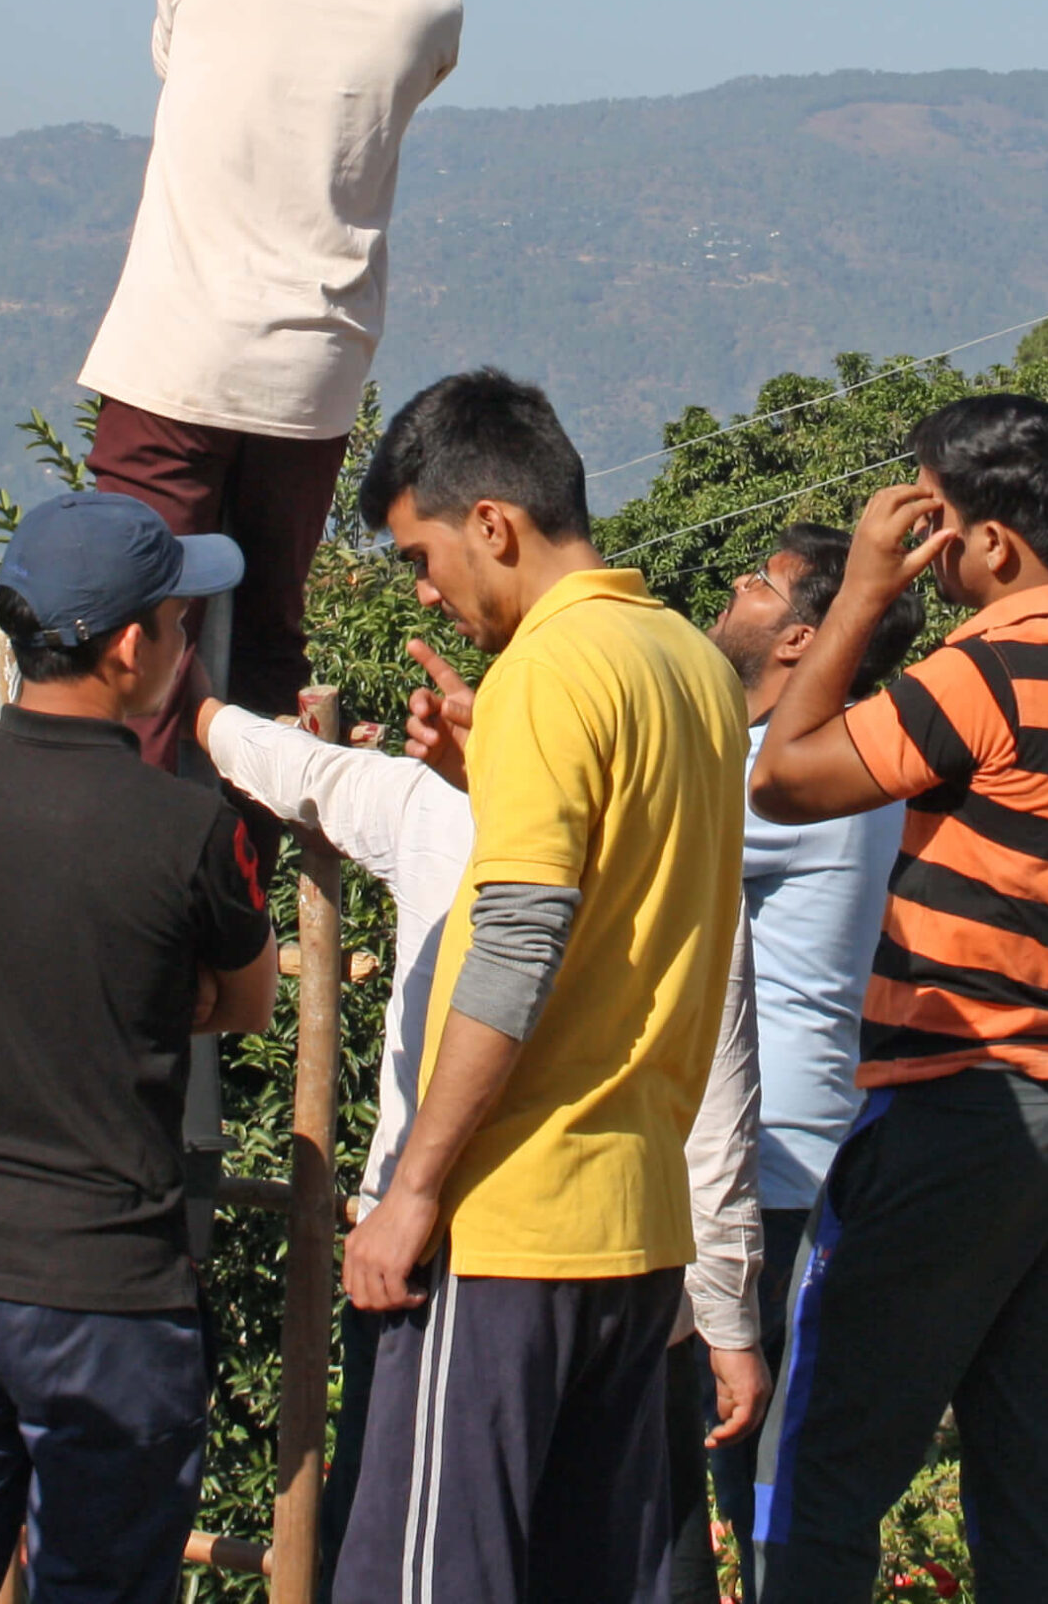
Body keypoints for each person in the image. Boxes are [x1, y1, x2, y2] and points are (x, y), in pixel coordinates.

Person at [749, 394, 1048, 1604]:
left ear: (992, 542)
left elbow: (784, 778)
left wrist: (856, 597)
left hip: (954, 1108)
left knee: (823, 1467)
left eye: (933, 519)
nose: (920, 544)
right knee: (1025, 1470)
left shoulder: (984, 675)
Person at [199, 687, 766, 1604]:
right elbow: (716, 1111)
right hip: (631, 1262)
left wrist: (194, 706)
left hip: (448, 1259)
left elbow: (296, 770)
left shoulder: (432, 808)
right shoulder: (688, 853)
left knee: (423, 1559)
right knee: (617, 1564)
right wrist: (728, 1322)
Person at [329, 369, 750, 1604]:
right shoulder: (689, 663)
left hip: (510, 1218)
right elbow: (635, 892)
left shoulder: (545, 672)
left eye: (421, 556)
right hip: (637, 1230)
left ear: (492, 523)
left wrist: (413, 1189)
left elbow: (519, 944)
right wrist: (492, 777)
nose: (425, 590)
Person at [0, 489, 279, 1604]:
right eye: (178, 622)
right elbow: (248, 1002)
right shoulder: (189, 829)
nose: (184, 643)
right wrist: (154, 993)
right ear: (131, 647)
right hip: (110, 1289)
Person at [79, 0, 466, 774]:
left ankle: (149, 852)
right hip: (312, 375)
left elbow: (178, 60)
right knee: (263, 641)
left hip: (176, 353)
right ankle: (243, 848)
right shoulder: (431, 7)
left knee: (132, 623)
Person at [701, 525, 926, 1603]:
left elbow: (616, 834)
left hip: (767, 1167)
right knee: (764, 1480)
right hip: (804, 1151)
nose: (733, 587)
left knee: (756, 1485)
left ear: (799, 637)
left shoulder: (775, 778)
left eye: (759, 581)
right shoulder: (852, 757)